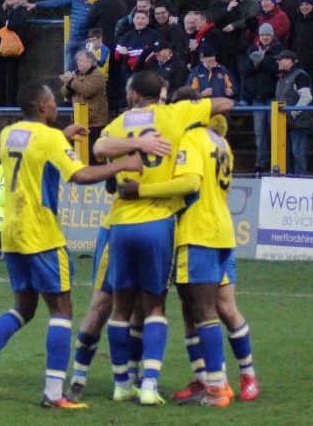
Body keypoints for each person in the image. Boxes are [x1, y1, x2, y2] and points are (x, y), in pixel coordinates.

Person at [0, 81, 142, 410]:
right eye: (53, 101)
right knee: (61, 311)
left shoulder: (9, 134)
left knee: (24, 308)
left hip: (12, 233)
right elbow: (80, 175)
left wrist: (63, 138)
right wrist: (121, 165)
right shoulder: (50, 138)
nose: (57, 105)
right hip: (42, 233)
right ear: (42, 106)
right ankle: (54, 393)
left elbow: (35, 157)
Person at [66, 72, 233, 406]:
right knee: (152, 306)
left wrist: (134, 144)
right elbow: (226, 103)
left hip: (119, 224)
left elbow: (98, 147)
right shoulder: (175, 115)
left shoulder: (121, 122)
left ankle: (118, 381)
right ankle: (146, 385)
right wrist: (198, 113)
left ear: (132, 95)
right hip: (158, 222)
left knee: (113, 306)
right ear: (161, 94)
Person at [162, 91, 260, 404]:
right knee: (199, 308)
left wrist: (146, 190)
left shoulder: (191, 140)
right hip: (222, 231)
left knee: (206, 310)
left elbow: (190, 184)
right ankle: (216, 378)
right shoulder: (220, 141)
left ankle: (219, 384)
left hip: (199, 232)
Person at [28, 0, 100, 71]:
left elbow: (102, 19)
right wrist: (37, 4)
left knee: (84, 69)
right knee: (68, 70)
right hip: (72, 40)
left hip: (85, 41)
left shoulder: (97, 1)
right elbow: (57, 2)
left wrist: (97, 36)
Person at [242, 24, 282, 171]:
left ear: (272, 36)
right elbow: (246, 71)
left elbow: (275, 69)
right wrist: (255, 63)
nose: (265, 37)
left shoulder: (278, 50)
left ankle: (277, 162)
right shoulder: (252, 50)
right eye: (262, 35)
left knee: (275, 131)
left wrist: (261, 61)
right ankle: (261, 162)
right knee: (259, 132)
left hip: (272, 97)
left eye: (267, 35)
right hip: (257, 97)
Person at [59, 50, 108, 155]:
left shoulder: (98, 75)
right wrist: (68, 85)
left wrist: (71, 81)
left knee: (93, 154)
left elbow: (88, 91)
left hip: (95, 122)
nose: (78, 63)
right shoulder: (76, 75)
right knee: (78, 153)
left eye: (81, 60)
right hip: (79, 120)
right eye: (77, 60)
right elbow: (64, 93)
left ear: (90, 62)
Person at [275, 50, 313, 175]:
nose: (278, 61)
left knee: (298, 155)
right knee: (289, 156)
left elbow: (306, 97)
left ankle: (300, 181)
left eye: (280, 59)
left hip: (298, 124)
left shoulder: (300, 75)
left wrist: (293, 113)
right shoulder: (283, 77)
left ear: (289, 61)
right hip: (287, 124)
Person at [0, 0, 31, 108]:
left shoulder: (21, 10)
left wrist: (5, 23)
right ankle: (0, 102)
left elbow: (13, 25)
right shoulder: (3, 10)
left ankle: (11, 102)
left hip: (14, 48)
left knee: (12, 77)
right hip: (2, 47)